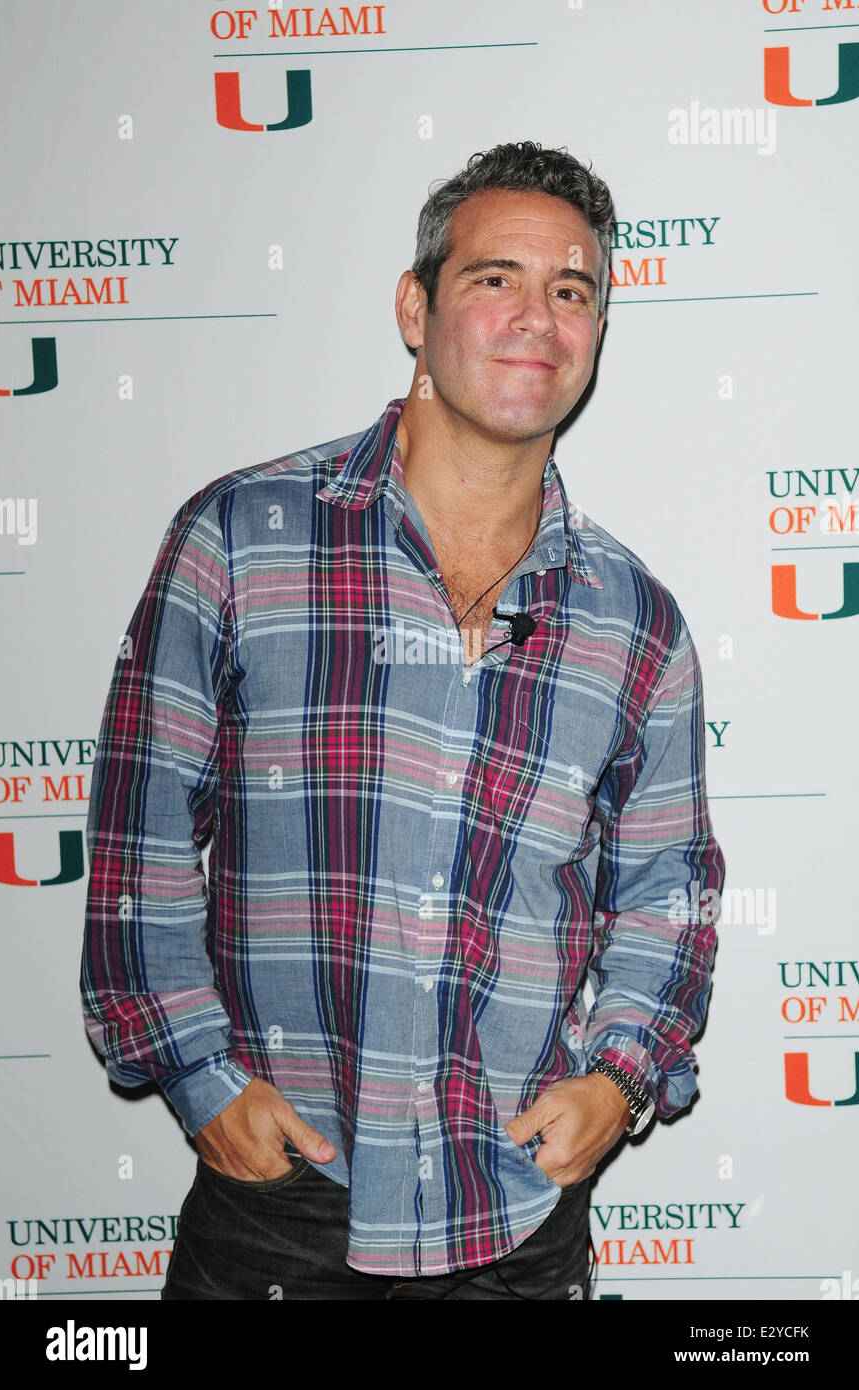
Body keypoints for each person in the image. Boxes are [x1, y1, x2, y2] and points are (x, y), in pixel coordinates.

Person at [81, 141, 724, 1301]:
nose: (537, 315)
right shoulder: (241, 539)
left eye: (571, 290)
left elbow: (667, 891)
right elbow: (140, 836)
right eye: (495, 278)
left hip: (515, 1221)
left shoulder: (633, 620)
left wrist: (619, 1081)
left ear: (596, 331)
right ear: (412, 306)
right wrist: (198, 1075)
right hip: (277, 1209)